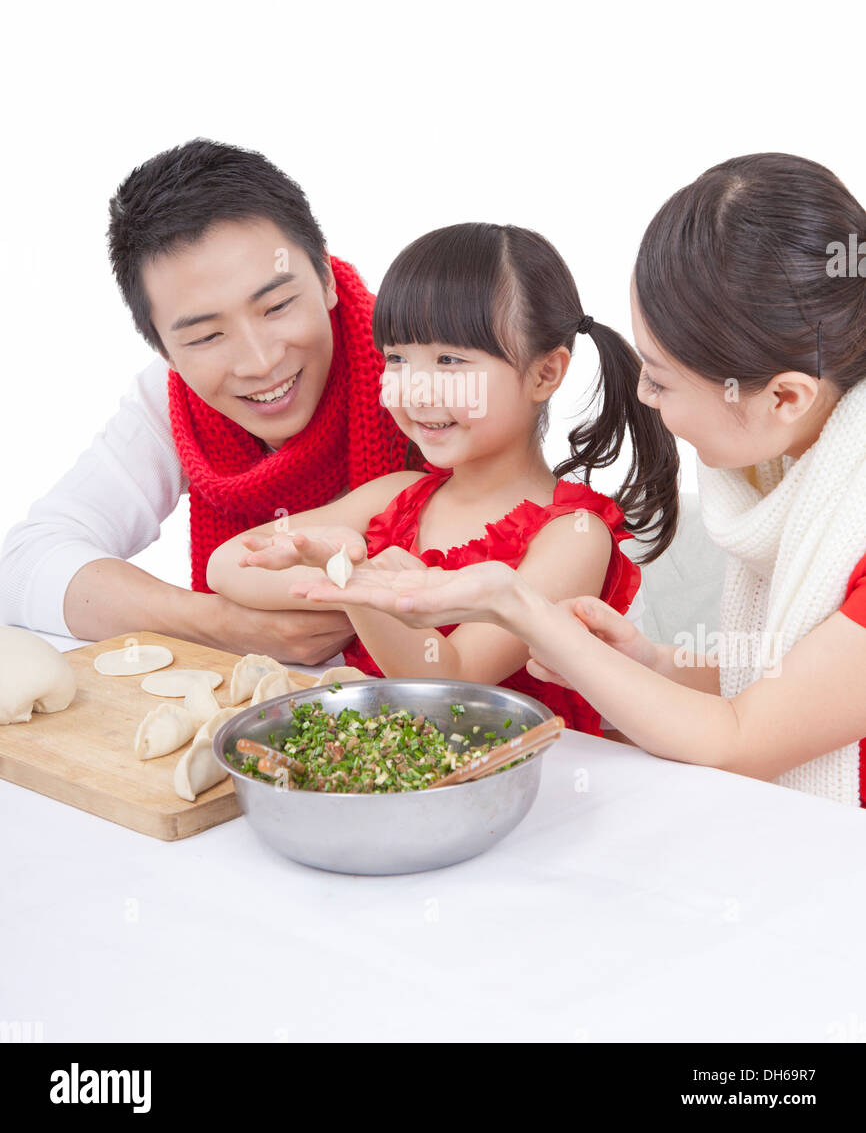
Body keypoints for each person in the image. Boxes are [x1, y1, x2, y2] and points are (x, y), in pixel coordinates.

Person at [282, 154, 866, 806]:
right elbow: (781, 685)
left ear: (784, 398)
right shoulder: (803, 483)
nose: (642, 393)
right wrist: (651, 662)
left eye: (663, 378)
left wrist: (521, 607)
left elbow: (741, 740)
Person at [207, 222, 680, 732]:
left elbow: (450, 682)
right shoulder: (396, 496)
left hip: (519, 784)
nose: (415, 390)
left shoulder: (571, 537)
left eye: (450, 360)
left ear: (544, 374)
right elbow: (229, 562)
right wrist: (337, 575)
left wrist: (355, 584)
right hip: (388, 766)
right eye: (397, 359)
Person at [0, 139, 415, 661]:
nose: (260, 361)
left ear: (327, 277)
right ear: (163, 350)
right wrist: (219, 624)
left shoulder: (422, 370)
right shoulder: (175, 403)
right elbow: (24, 566)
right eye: (204, 337)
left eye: (277, 305)